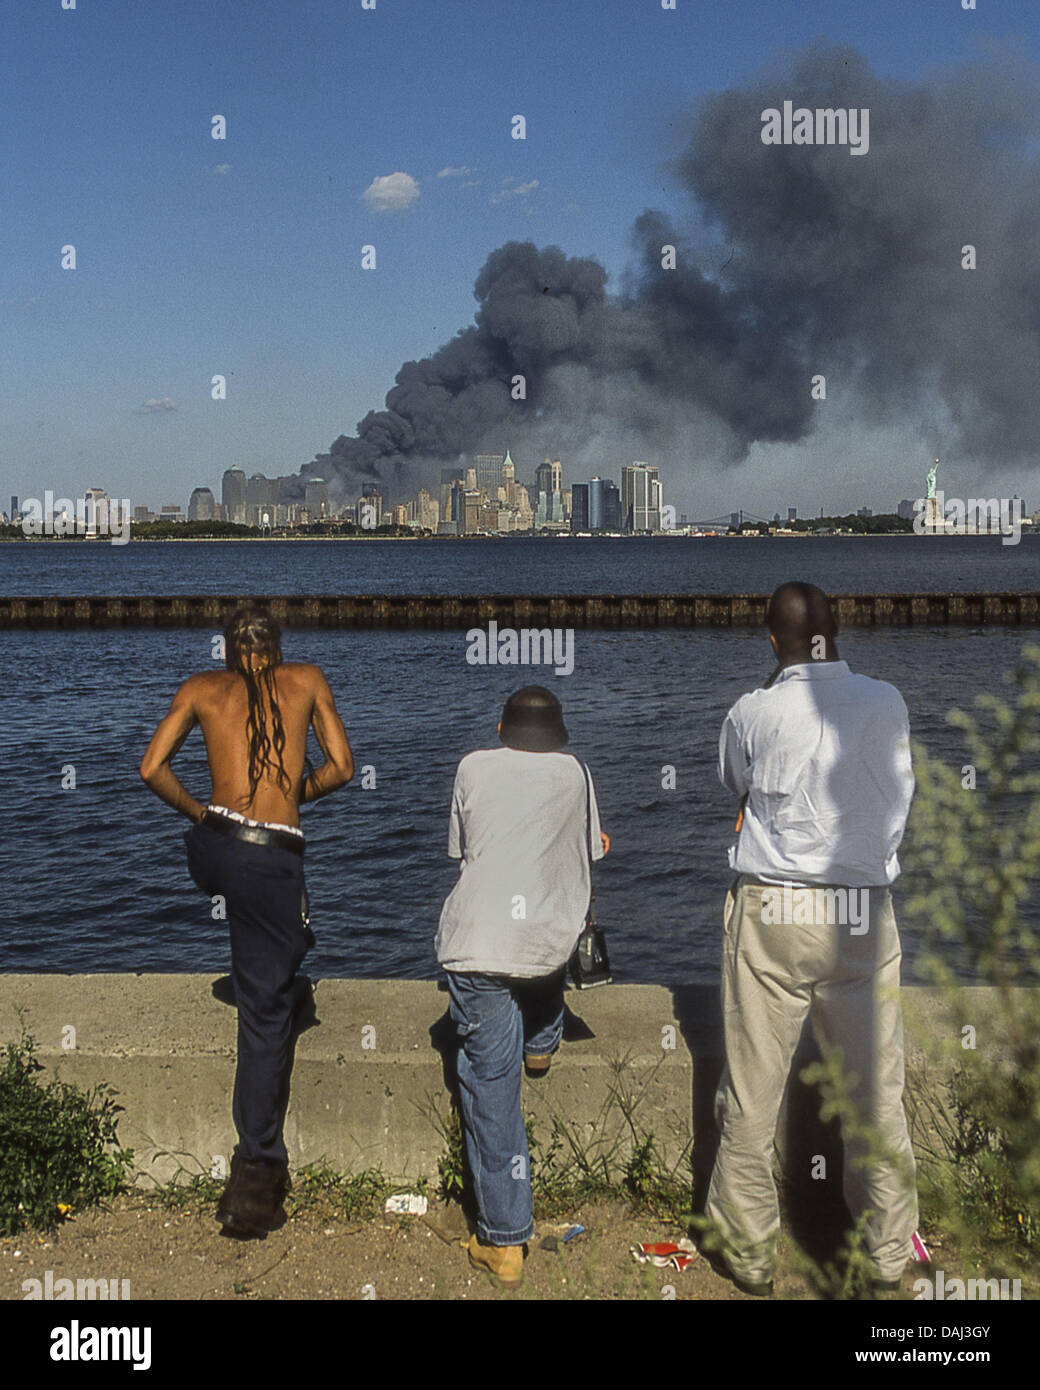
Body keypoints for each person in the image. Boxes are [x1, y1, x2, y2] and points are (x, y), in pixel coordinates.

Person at [705, 581, 918, 1296]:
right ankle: (888, 1257)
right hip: (861, 910)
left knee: (753, 1088)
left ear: (772, 642)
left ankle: (750, 1253)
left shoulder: (752, 711)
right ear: (839, 630)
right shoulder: (888, 702)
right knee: (877, 1094)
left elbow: (735, 781)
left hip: (775, 910)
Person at [139, 604, 354, 1237]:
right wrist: (291, 793)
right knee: (266, 1018)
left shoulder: (202, 689)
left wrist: (203, 813)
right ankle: (255, 1182)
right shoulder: (307, 679)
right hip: (270, 856)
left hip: (216, 849)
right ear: (277, 647)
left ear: (229, 651)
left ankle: (285, 943)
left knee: (261, 920)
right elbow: (343, 767)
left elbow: (152, 768)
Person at [436, 685, 609, 1286]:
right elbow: (594, 851)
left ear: (503, 728)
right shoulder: (576, 774)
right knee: (542, 956)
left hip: (479, 943)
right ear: (557, 736)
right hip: (546, 946)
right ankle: (542, 1041)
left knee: (488, 1085)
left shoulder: (472, 767)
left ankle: (504, 1241)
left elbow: (462, 851)